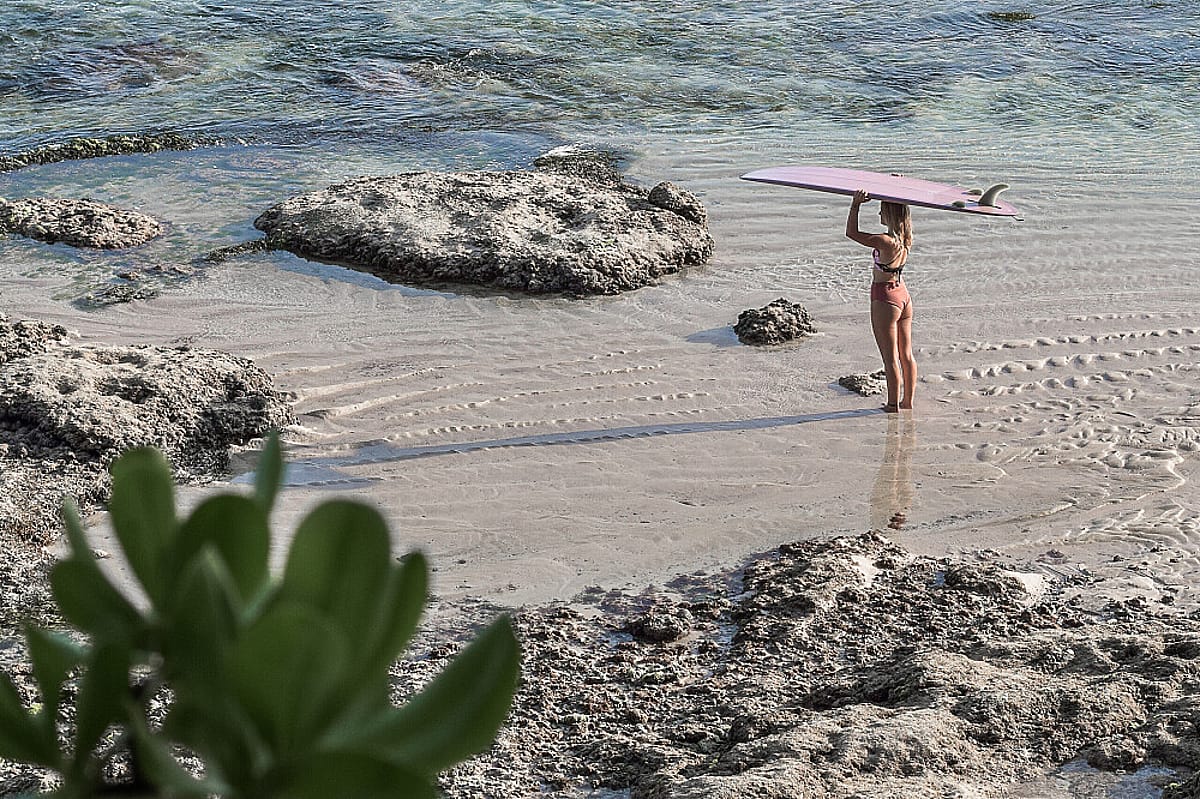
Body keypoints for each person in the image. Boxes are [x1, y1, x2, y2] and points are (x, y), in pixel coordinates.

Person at [846, 189, 916, 412]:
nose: (878, 214)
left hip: (884, 297)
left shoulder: (885, 241)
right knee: (906, 354)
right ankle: (907, 402)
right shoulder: (905, 240)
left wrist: (855, 205)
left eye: (882, 210)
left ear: (890, 214)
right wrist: (896, 184)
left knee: (889, 358)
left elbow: (851, 233)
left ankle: (892, 405)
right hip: (903, 295)